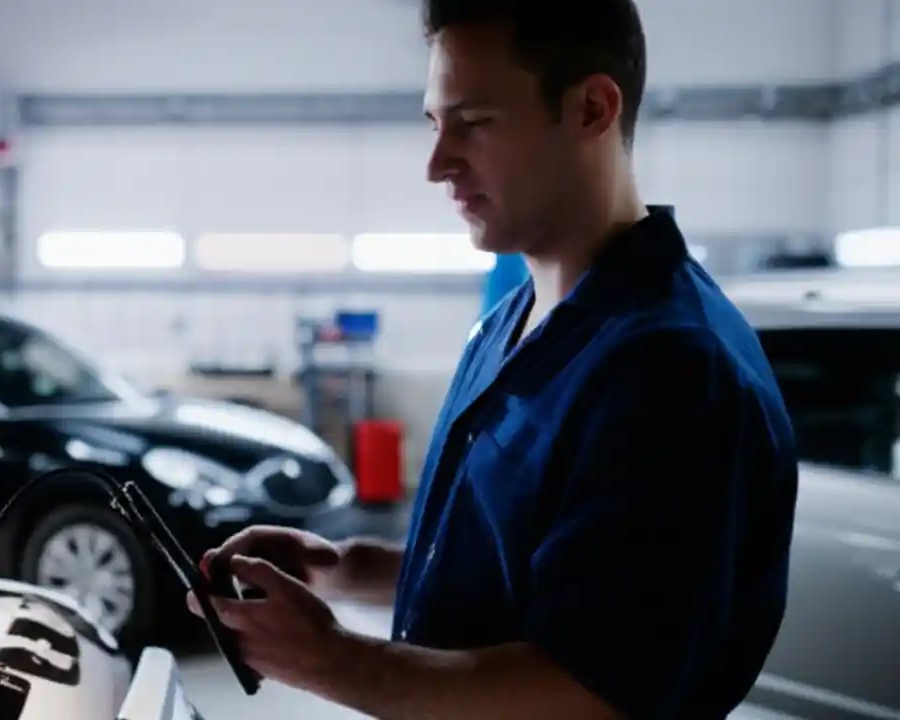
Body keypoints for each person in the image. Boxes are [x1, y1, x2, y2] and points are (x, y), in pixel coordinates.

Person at [188, 0, 799, 717]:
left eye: (472, 124)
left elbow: (589, 691)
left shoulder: (671, 374)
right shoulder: (513, 323)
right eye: (434, 124)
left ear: (591, 109)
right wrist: (342, 569)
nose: (437, 164)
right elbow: (519, 573)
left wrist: (333, 661)